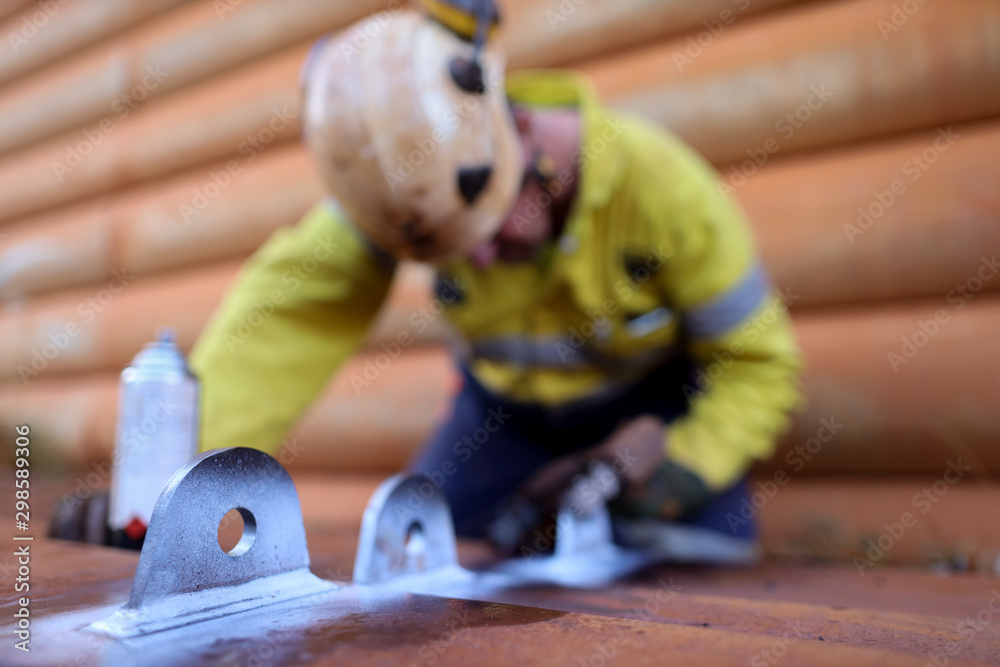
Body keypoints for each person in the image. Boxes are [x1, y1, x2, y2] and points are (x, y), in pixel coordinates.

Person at [190, 0, 802, 563]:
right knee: (413, 556)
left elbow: (755, 368)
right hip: (501, 420)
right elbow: (284, 319)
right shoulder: (405, 189)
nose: (477, 260)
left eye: (490, 224)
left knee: (694, 566)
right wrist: (178, 486)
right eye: (447, 248)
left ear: (523, 136)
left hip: (656, 414)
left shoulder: (664, 192)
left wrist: (687, 466)